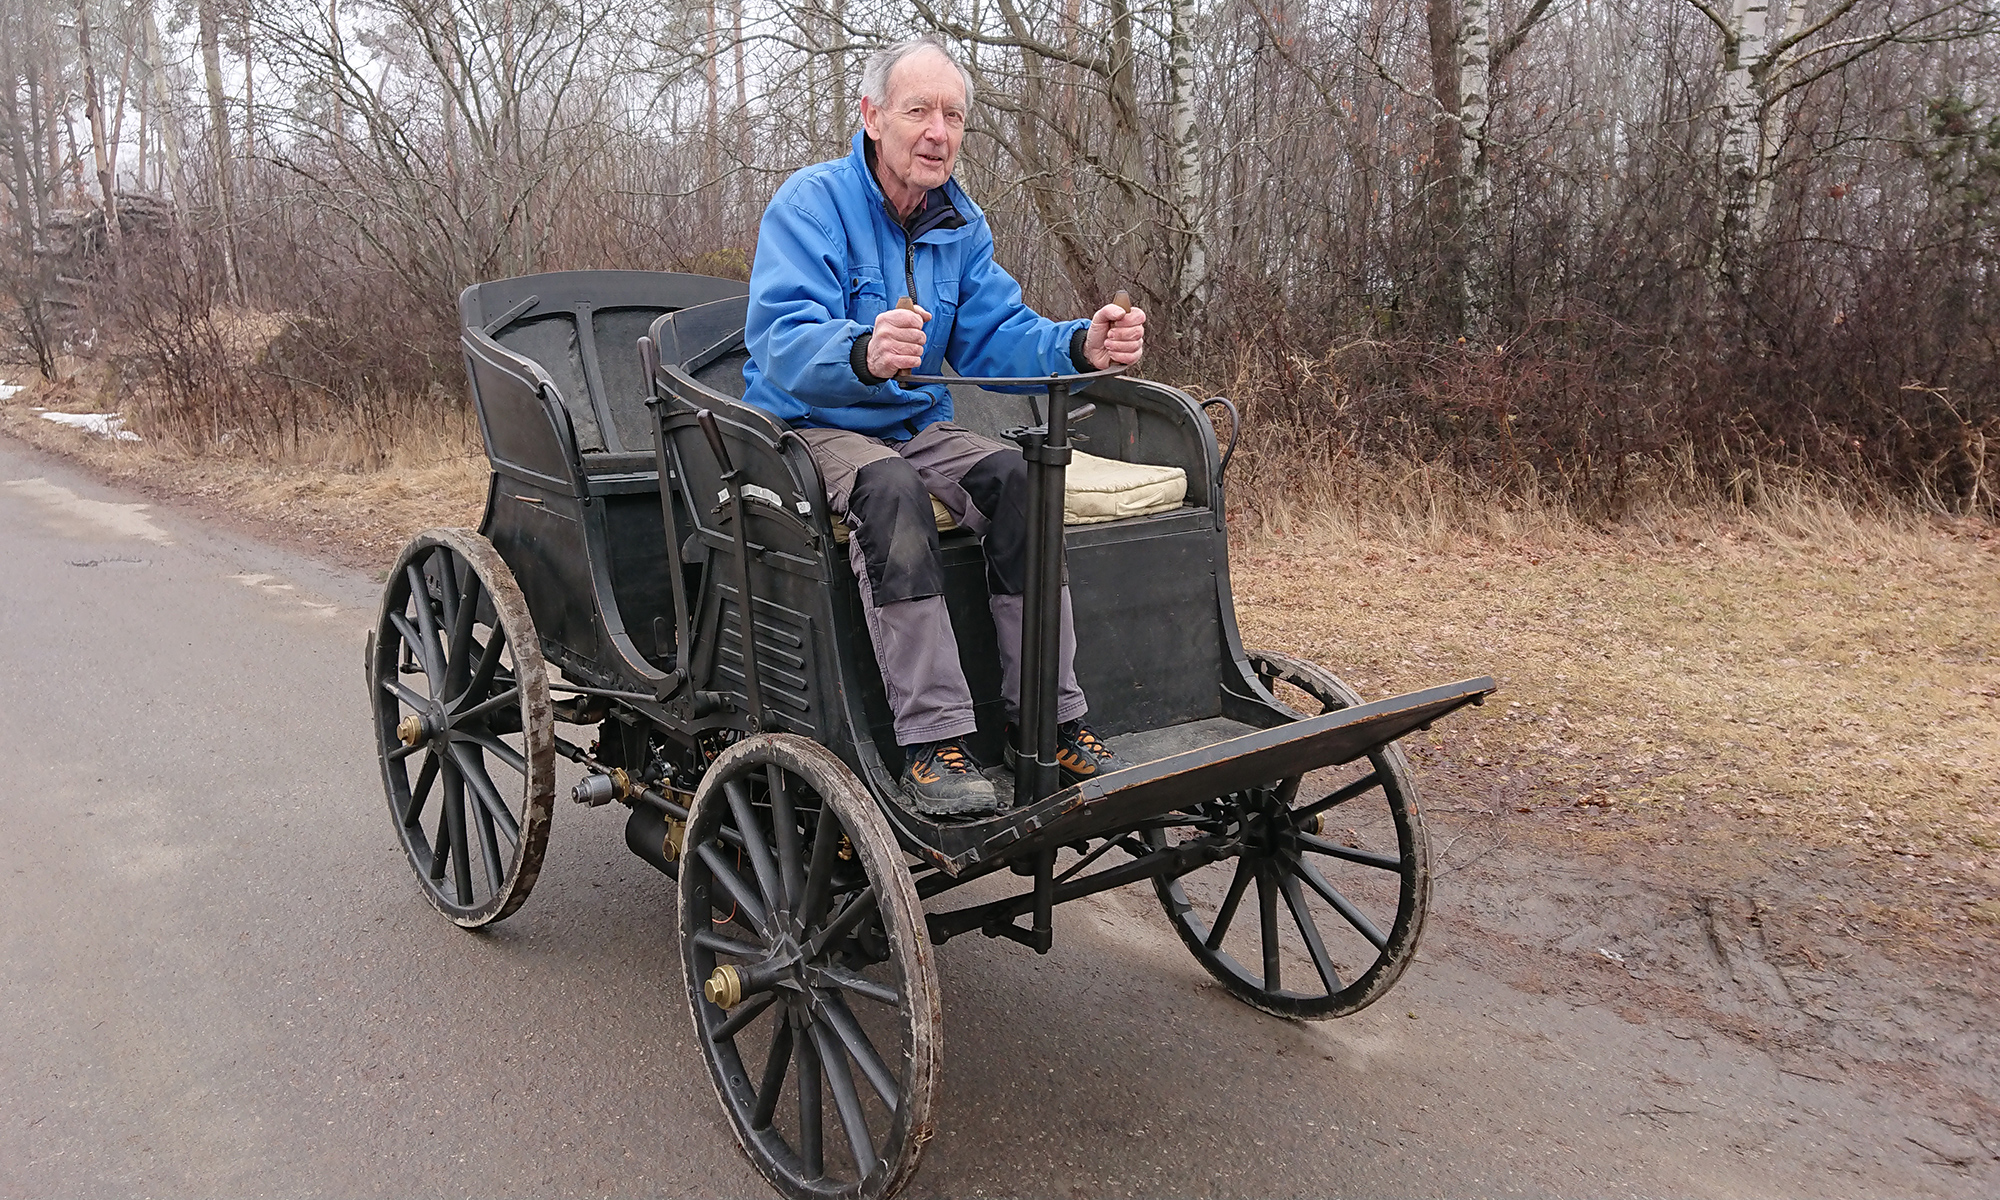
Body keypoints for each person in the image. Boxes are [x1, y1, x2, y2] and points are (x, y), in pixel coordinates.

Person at [740, 35, 1146, 818]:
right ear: (871, 116)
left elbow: (996, 334)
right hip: (811, 425)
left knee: (1024, 480)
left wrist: (1077, 343)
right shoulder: (811, 204)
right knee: (888, 490)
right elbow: (781, 342)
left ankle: (1049, 720)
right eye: (918, 110)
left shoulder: (959, 223)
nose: (938, 131)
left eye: (953, 115)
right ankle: (934, 744)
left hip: (917, 425)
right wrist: (861, 350)